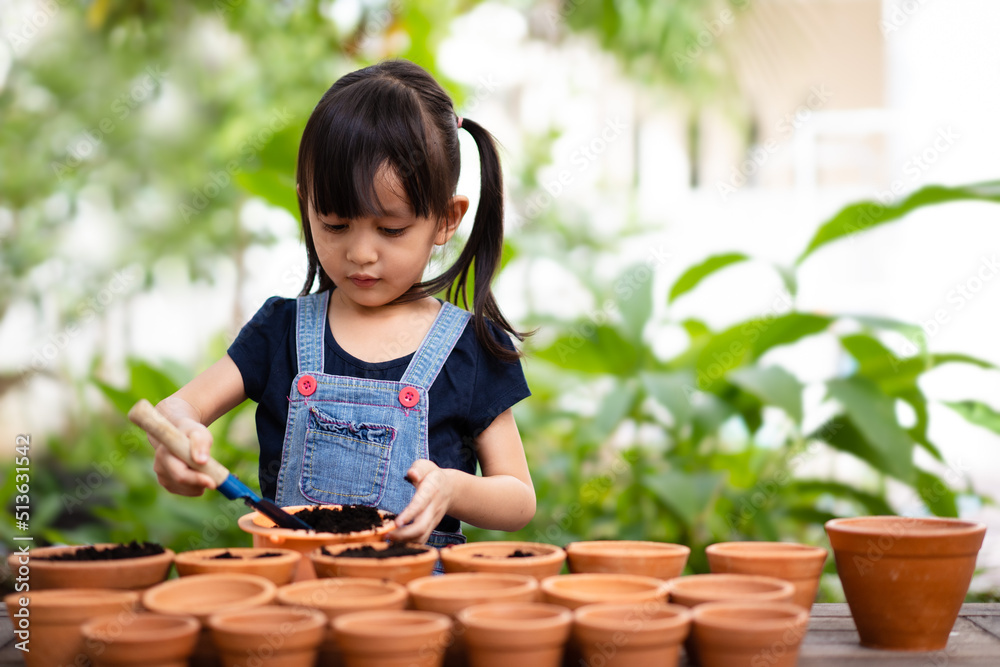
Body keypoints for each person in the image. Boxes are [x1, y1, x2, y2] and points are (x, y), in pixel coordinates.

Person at [148, 59, 535, 548]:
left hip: (414, 608)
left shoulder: (470, 348)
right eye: (334, 224)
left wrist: (453, 487)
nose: (360, 253)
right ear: (306, 204)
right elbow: (177, 408)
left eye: (391, 230)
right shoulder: (280, 332)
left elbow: (518, 499)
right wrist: (178, 438)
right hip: (296, 601)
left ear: (446, 218)